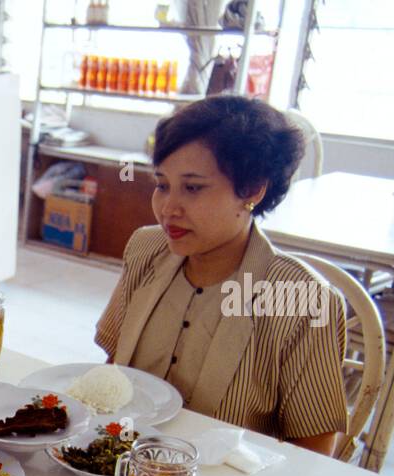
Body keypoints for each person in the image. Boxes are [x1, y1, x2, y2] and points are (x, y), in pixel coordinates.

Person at [95, 95, 348, 456]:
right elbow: (113, 372)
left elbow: (314, 446)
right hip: (123, 469)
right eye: (162, 184)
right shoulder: (146, 249)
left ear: (253, 191)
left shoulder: (301, 297)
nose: (168, 208)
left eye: (193, 188)